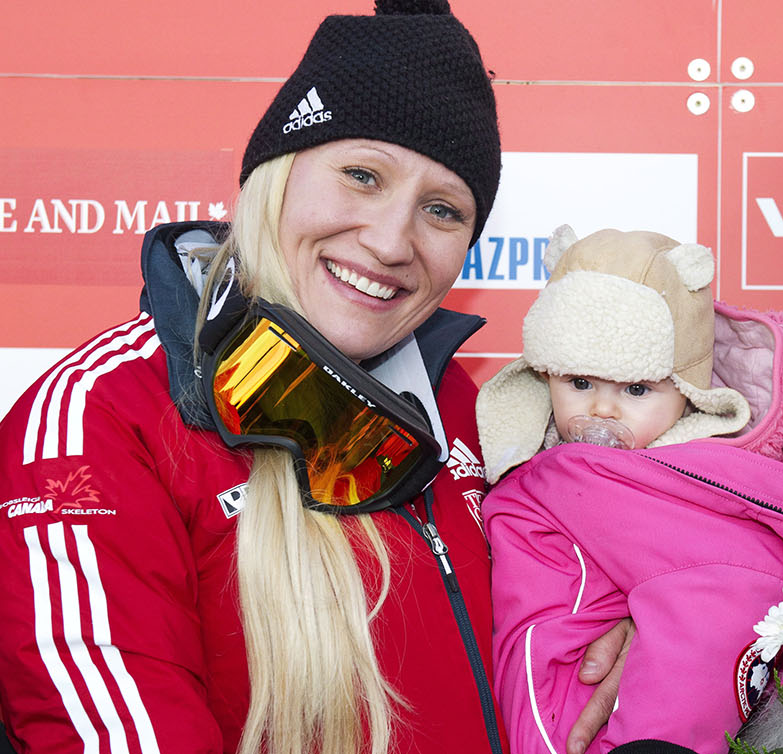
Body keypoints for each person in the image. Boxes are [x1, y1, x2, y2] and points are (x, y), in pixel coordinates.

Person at [0, 1, 511, 752]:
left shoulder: (472, 408)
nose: (392, 239)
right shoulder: (102, 416)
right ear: (273, 178)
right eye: (362, 175)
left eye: (442, 210)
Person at [477, 226, 783, 754]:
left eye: (637, 389)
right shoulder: (525, 460)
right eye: (578, 383)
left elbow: (707, 624)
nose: (601, 410)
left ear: (688, 396)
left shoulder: (702, 480)